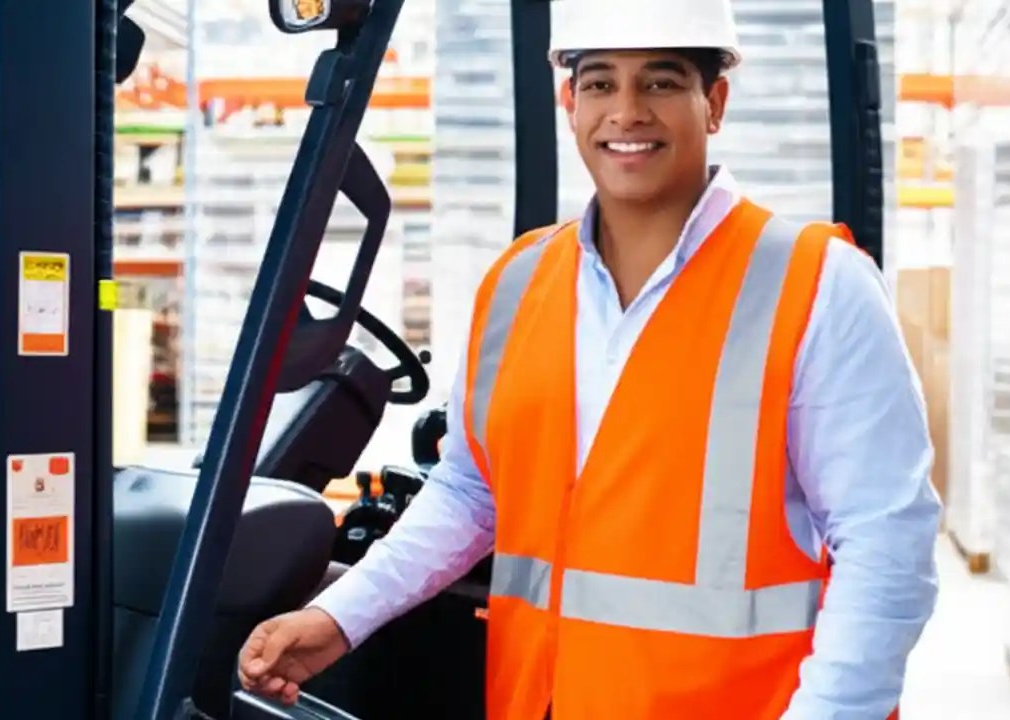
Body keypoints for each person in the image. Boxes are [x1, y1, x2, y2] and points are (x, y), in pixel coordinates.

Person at [238, 0, 942, 717]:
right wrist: (340, 617)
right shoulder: (517, 283)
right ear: (569, 101)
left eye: (662, 83)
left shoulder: (816, 284)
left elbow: (886, 542)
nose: (627, 112)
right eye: (601, 83)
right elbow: (471, 493)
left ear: (716, 101)